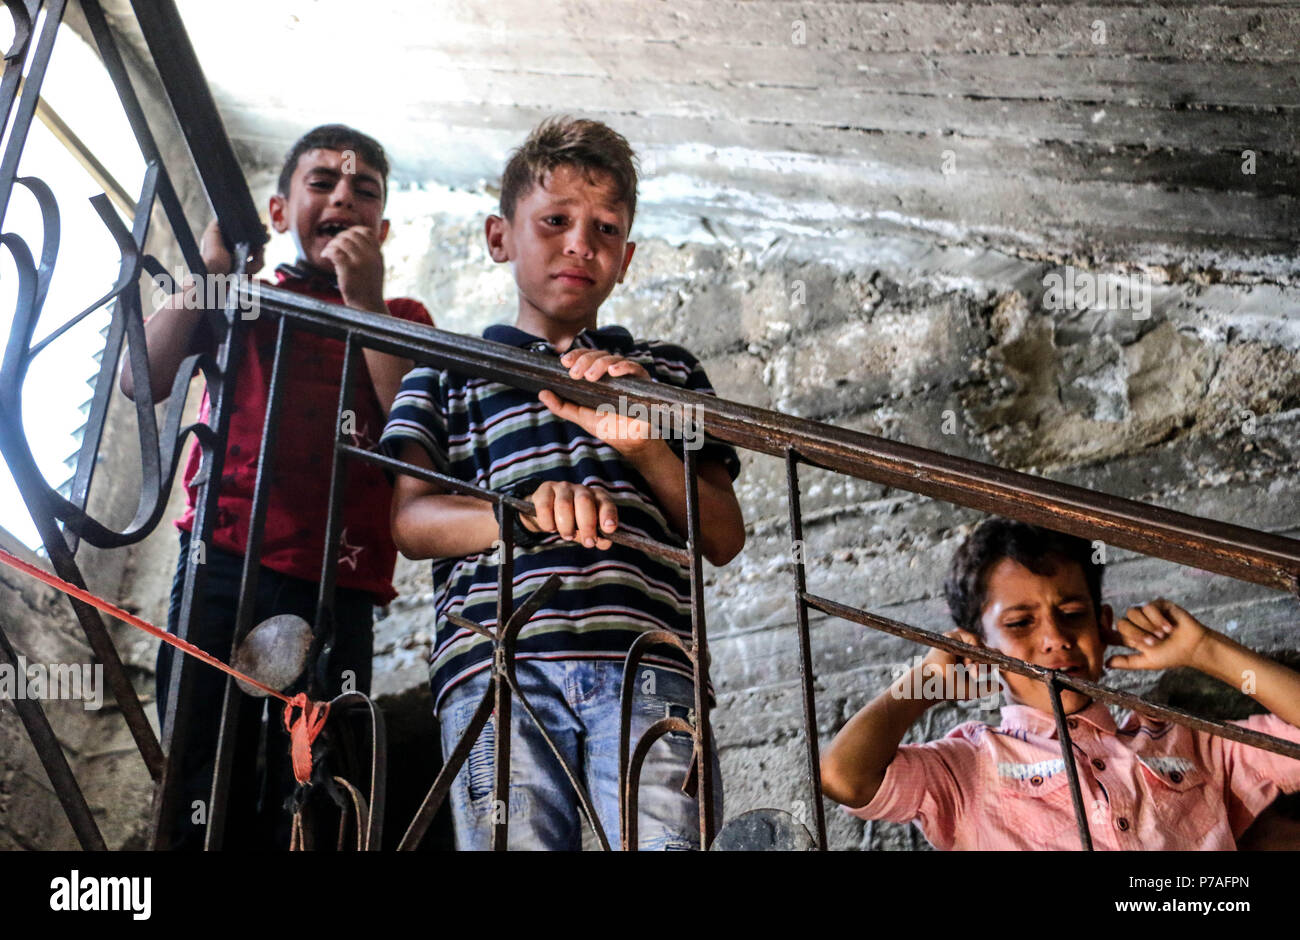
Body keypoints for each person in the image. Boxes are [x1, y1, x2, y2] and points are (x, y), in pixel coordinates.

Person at [381, 116, 745, 850]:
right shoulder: (443, 370)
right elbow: (411, 524)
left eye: (606, 230)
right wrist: (517, 516)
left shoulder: (666, 373)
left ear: (627, 258)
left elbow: (724, 534)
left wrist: (642, 441)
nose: (582, 243)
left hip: (647, 665)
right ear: (499, 237)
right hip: (497, 667)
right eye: (555, 221)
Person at [121, 123, 433, 850]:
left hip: (340, 582)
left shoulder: (402, 319)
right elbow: (143, 378)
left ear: (381, 228)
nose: (343, 199)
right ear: (278, 210)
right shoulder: (241, 300)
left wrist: (366, 302)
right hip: (221, 560)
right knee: (201, 769)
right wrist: (208, 268)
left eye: (364, 192)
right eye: (321, 182)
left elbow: (415, 431)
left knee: (322, 779)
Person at [820, 516, 1300, 850]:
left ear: (1102, 624)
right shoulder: (969, 766)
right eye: (1020, 624)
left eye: (1072, 615)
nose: (1055, 639)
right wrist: (925, 683)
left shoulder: (1187, 741)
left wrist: (1204, 651)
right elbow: (845, 777)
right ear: (979, 648)